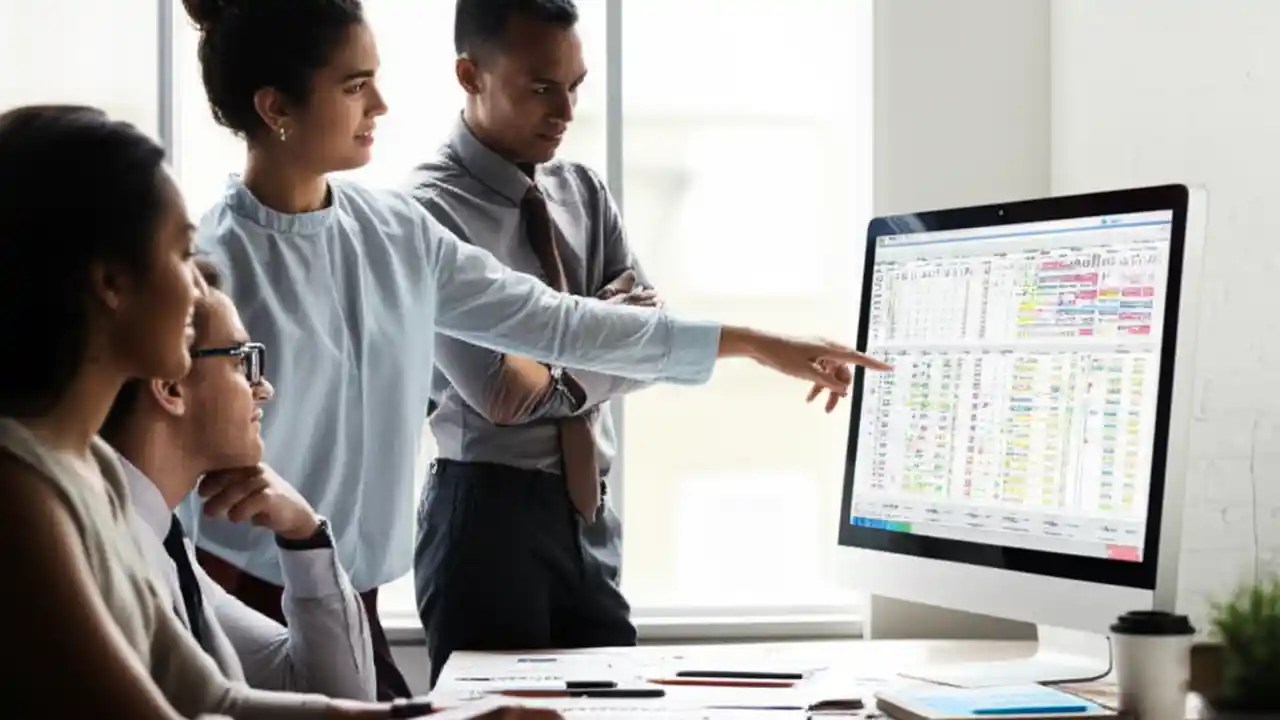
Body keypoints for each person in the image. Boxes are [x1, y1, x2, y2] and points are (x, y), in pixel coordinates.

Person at [179, 0, 891, 695]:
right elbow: (156, 464)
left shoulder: (397, 232)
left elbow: (557, 323)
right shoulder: (209, 266)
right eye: (356, 86)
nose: (382, 106)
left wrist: (759, 344)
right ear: (277, 108)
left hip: (351, 599)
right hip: (240, 593)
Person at [0, 103, 566, 720]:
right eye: (182, 253)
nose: (200, 286)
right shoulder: (19, 490)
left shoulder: (99, 479)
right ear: (110, 283)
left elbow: (213, 700)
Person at [407, 0, 772, 682]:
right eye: (541, 87)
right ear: (469, 74)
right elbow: (500, 393)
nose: (566, 112)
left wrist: (557, 366)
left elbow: (648, 347)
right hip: (487, 520)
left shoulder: (583, 191)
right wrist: (605, 331)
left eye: (575, 86)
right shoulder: (428, 212)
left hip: (590, 518)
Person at [100, 258, 377, 699]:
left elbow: (331, 693)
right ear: (171, 387)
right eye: (240, 361)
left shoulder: (166, 546)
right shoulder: (105, 550)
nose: (263, 387)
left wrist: (304, 536)